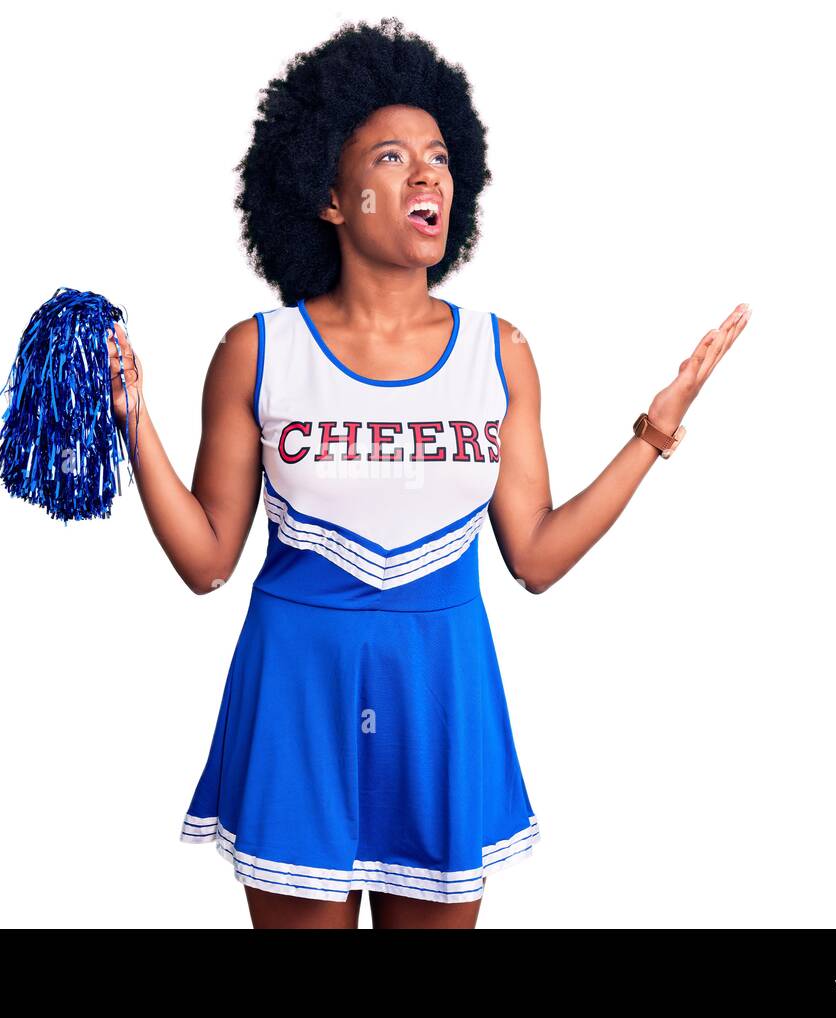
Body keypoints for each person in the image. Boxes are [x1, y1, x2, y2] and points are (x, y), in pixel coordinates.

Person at [105, 17, 750, 930]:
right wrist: (136, 423)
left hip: (442, 689)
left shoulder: (501, 353)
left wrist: (653, 432)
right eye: (392, 158)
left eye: (440, 157)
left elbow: (535, 554)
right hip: (298, 691)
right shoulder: (258, 353)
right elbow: (208, 560)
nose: (427, 176)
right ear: (329, 197)